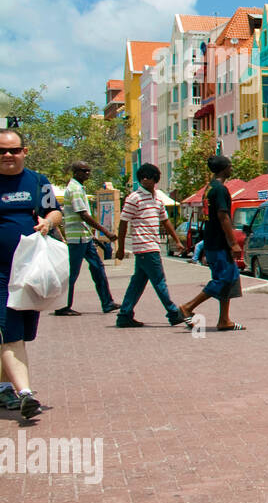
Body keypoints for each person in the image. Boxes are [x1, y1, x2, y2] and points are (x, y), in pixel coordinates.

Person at [0, 128, 61, 419]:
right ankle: (25, 393)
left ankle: (2, 386)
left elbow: (56, 211)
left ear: (24, 152)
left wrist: (48, 223)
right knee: (10, 334)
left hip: (30, 272)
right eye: (2, 151)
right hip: (0, 275)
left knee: (21, 334)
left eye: (13, 150)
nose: (8, 155)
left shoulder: (39, 182)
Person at [115, 163, 188, 328]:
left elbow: (165, 220)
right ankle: (173, 312)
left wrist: (176, 239)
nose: (148, 181)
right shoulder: (134, 198)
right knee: (159, 281)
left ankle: (124, 314)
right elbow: (123, 223)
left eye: (151, 178)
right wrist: (120, 248)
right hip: (145, 247)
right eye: (145, 178)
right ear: (141, 179)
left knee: (138, 283)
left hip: (150, 246)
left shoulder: (157, 198)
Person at [178, 155, 245, 330]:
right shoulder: (220, 189)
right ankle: (188, 307)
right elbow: (223, 216)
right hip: (219, 242)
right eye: (230, 166)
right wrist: (233, 243)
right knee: (224, 278)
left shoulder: (209, 188)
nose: (231, 168)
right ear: (224, 168)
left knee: (228, 279)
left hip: (211, 241)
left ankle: (224, 320)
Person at [53, 161, 120, 316]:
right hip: (76, 239)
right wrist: (105, 232)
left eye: (89, 171)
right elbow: (83, 214)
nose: (88, 173)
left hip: (85, 237)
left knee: (98, 268)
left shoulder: (79, 188)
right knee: (72, 274)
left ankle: (107, 302)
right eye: (84, 171)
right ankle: (63, 306)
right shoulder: (75, 189)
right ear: (76, 172)